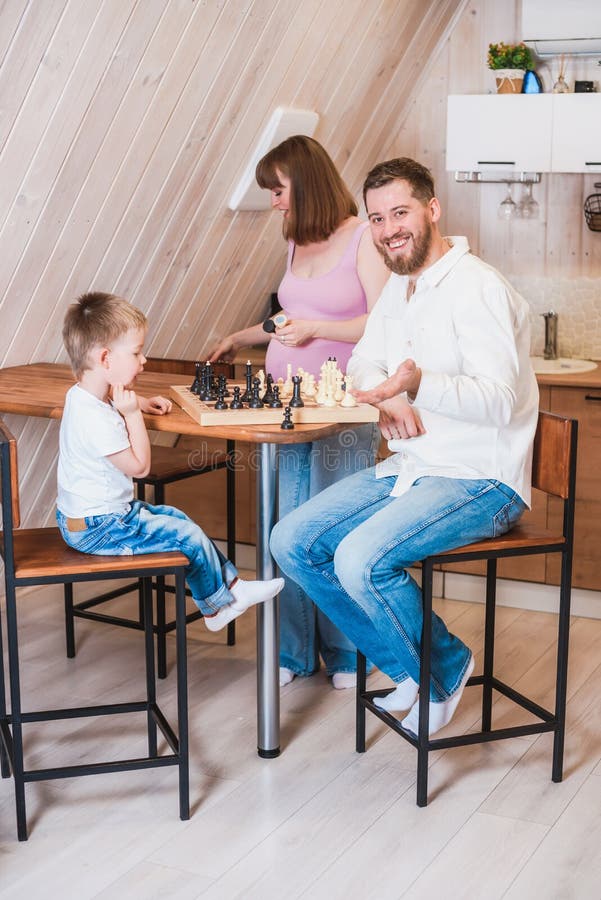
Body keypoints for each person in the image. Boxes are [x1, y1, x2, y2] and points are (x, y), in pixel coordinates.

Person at [270, 157, 539, 735]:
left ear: (431, 209)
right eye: (377, 218)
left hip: (481, 478)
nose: (389, 229)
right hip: (414, 467)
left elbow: (500, 401)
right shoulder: (400, 287)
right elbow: (365, 360)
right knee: (291, 540)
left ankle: (443, 667)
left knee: (359, 559)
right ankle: (409, 665)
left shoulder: (478, 288)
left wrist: (417, 386)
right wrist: (388, 398)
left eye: (400, 213)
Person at [209, 135, 397, 690]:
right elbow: (288, 317)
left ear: (306, 183)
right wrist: (240, 336)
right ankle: (293, 652)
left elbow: (382, 323)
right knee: (285, 527)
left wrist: (317, 329)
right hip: (287, 410)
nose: (273, 201)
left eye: (278, 189)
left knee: (334, 529)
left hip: (344, 410)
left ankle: (346, 654)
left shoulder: (362, 238)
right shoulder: (295, 241)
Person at [57, 292, 283, 631]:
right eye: (136, 352)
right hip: (100, 528)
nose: (144, 360)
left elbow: (109, 402)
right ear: (105, 358)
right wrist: (133, 415)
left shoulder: (82, 396)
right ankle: (215, 610)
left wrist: (140, 402)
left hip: (91, 518)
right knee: (186, 536)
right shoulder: (96, 419)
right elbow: (140, 468)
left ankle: (234, 587)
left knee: (176, 517)